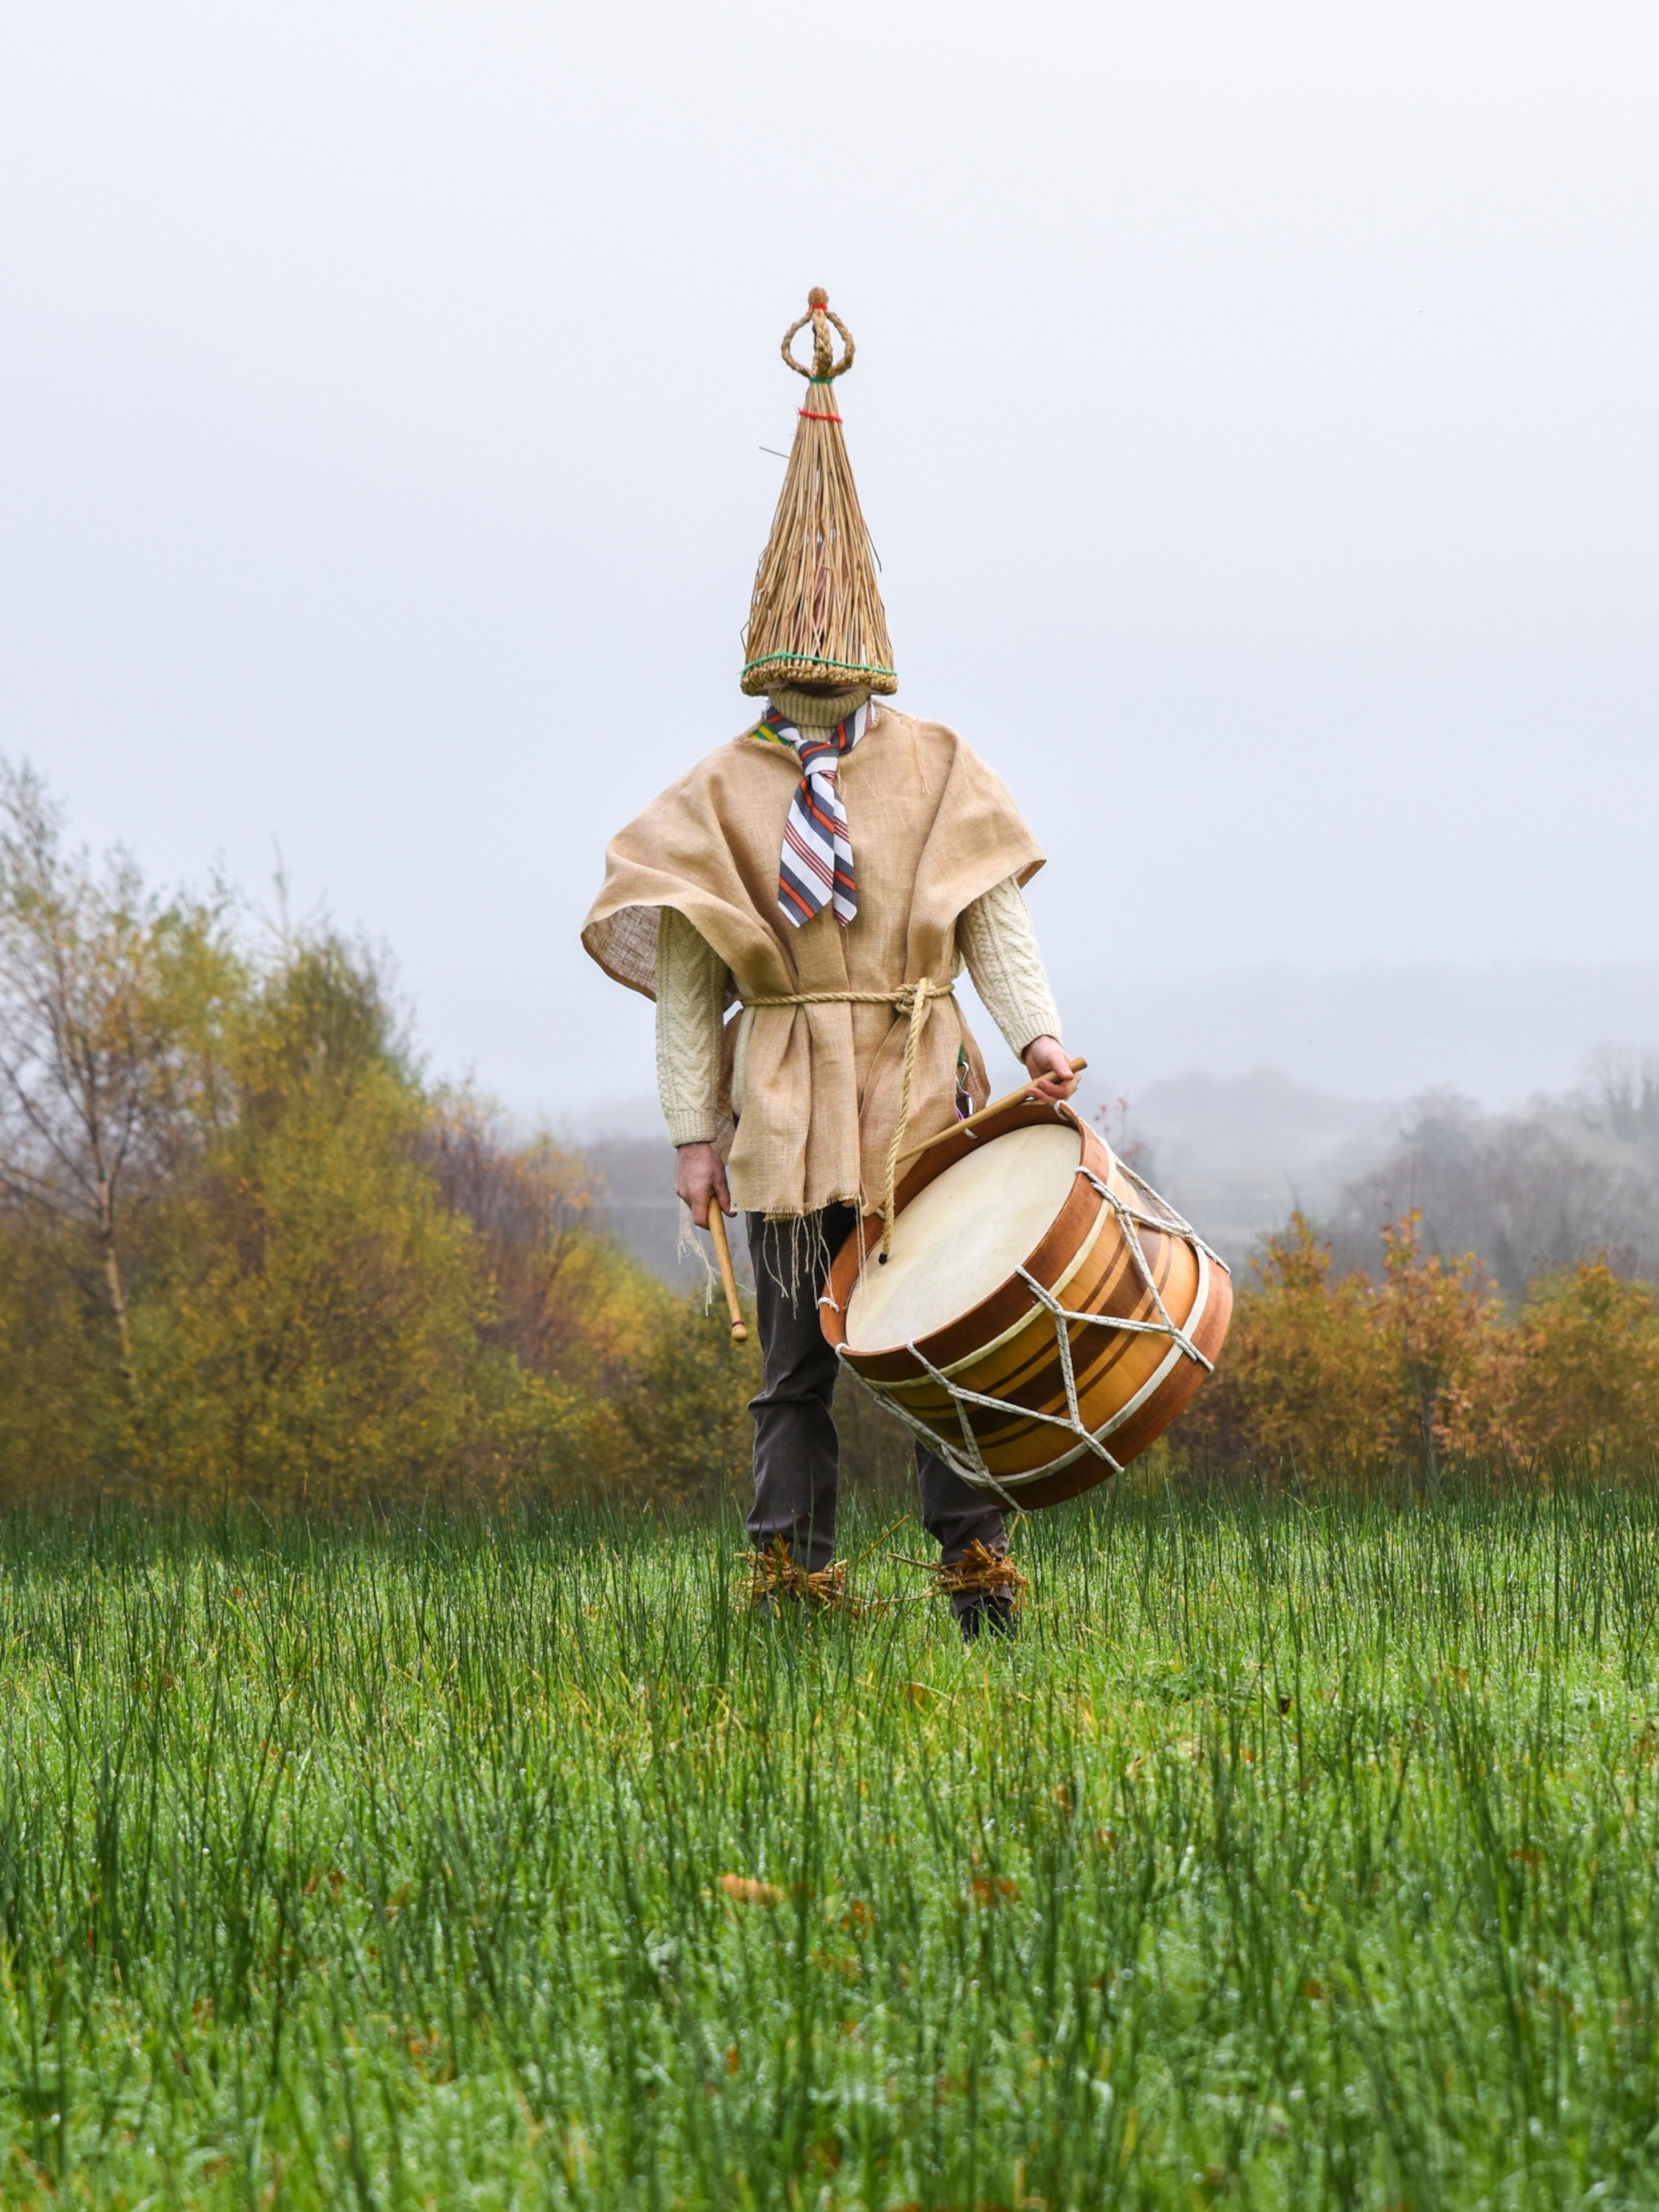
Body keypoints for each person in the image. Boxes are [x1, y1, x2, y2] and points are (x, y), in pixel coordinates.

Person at [582, 290, 1077, 1638]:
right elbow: (693, 983)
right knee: (794, 1364)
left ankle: (979, 1587)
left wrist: (1036, 1041)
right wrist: (696, 1137)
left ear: (867, 668)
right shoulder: (711, 799)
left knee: (946, 1345)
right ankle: (793, 1591)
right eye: (799, 703)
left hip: (923, 1085)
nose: (820, 718)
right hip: (792, 1101)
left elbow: (992, 918)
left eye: (836, 699)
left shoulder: (937, 767)